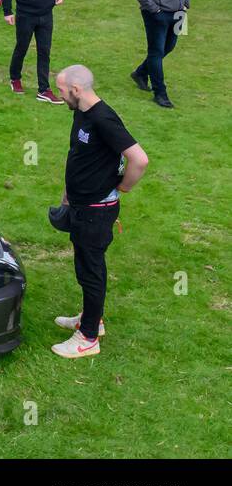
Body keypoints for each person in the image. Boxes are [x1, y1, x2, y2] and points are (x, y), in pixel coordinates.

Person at [52, 64, 148, 358]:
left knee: (91, 271)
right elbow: (79, 155)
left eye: (61, 90)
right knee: (85, 267)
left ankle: (88, 337)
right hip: (81, 205)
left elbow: (139, 159)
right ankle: (92, 318)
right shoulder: (81, 112)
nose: (59, 95)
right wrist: (68, 194)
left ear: (76, 90)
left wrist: (124, 187)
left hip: (96, 210)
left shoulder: (103, 118)